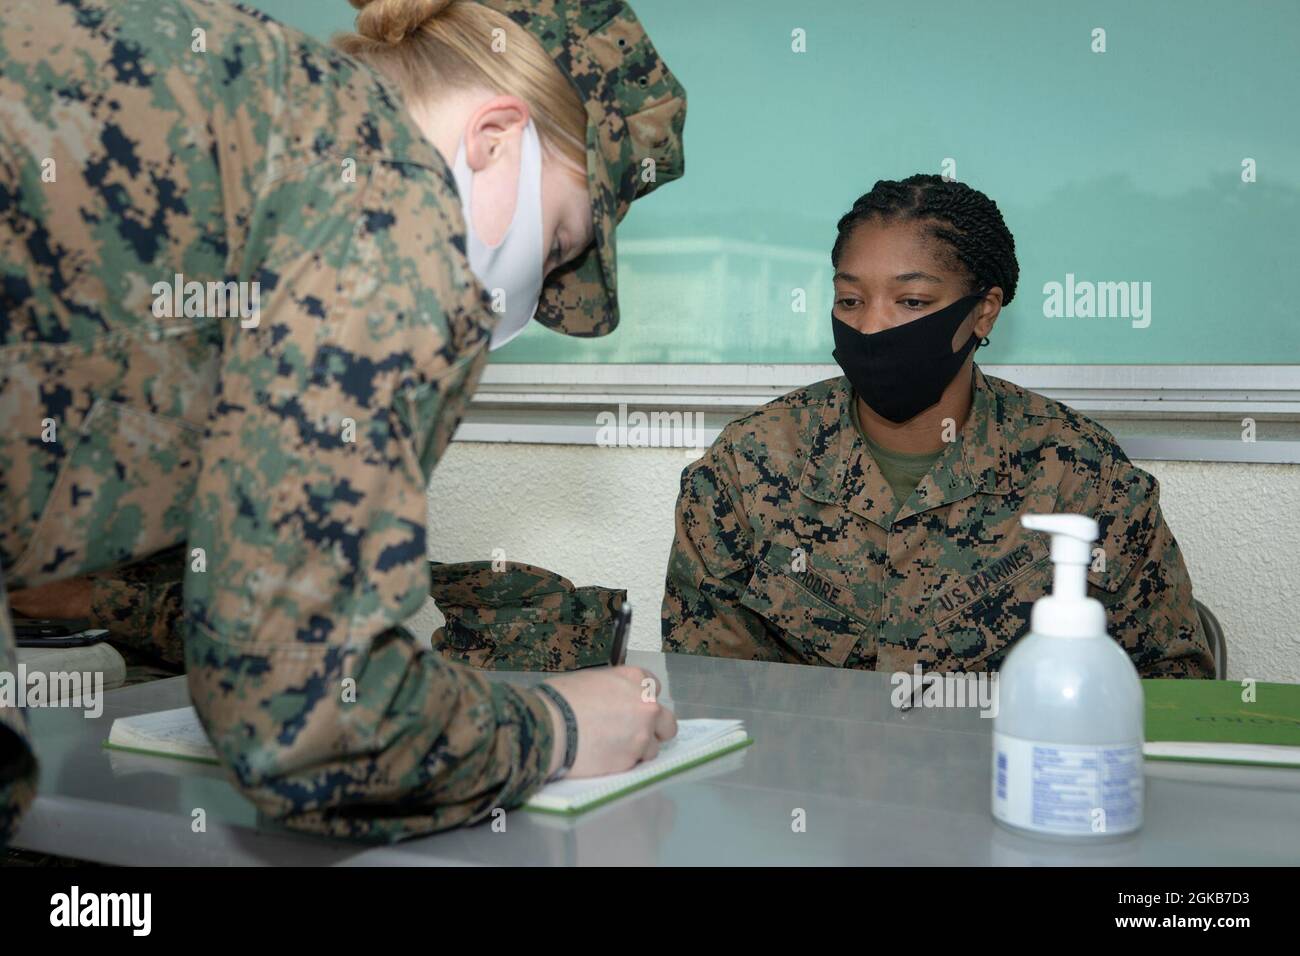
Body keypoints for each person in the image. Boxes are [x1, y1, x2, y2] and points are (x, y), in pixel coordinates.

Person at [0, 0, 686, 844]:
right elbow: (303, 719)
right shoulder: (384, 197)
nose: (530, 298)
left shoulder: (263, 114)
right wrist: (559, 727)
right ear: (495, 138)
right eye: (556, 246)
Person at [661, 175, 1213, 679]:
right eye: (850, 299)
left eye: (912, 300)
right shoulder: (750, 463)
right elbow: (712, 694)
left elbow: (1170, 685)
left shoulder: (1081, 473)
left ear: (983, 311)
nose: (872, 324)